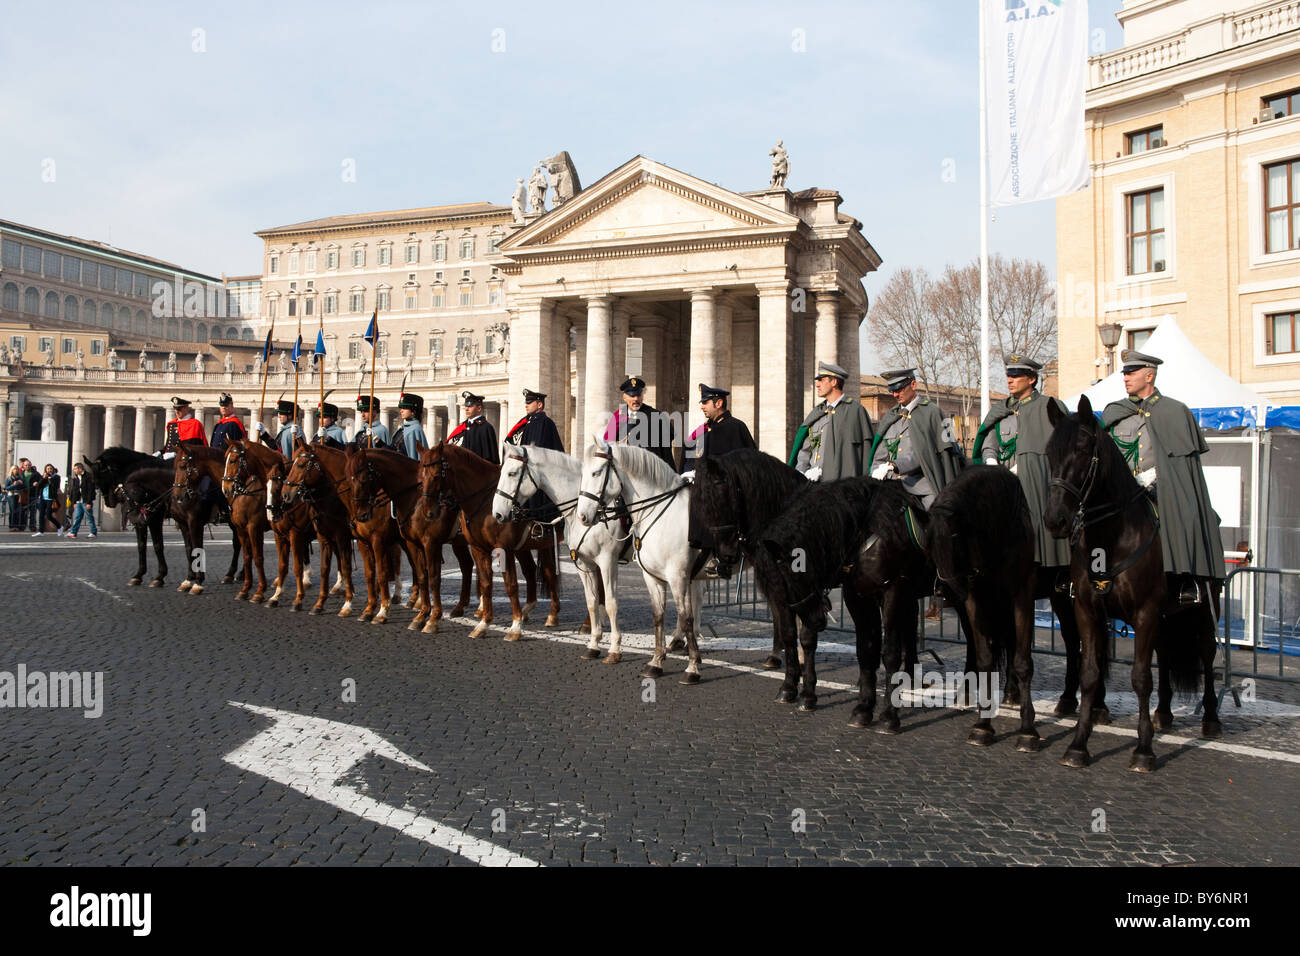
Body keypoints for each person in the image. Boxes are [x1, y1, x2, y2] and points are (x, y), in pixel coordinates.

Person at [1102, 348, 1226, 602]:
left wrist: (1153, 475)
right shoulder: (1114, 413)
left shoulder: (1174, 411)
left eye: (1131, 372)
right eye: (1124, 373)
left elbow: (1180, 463)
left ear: (1149, 376)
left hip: (1160, 488)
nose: (1125, 377)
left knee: (1187, 517)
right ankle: (1090, 578)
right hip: (1121, 491)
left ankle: (1186, 581)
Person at [869, 368, 964, 509]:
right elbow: (880, 455)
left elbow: (925, 453)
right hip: (891, 485)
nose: (895, 394)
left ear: (913, 385)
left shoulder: (932, 412)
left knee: (936, 518)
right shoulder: (891, 417)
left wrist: (894, 465)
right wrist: (876, 470)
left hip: (921, 485)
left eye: (900, 389)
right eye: (892, 390)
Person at [790, 361, 875, 482]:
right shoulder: (817, 413)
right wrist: (801, 476)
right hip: (814, 487)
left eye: (821, 380)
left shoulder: (856, 411)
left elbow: (866, 454)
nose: (817, 384)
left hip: (844, 488)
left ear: (834, 382)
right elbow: (805, 452)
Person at [604, 377, 677, 469]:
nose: (636, 399)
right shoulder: (618, 417)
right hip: (624, 472)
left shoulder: (658, 417)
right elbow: (608, 444)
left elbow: (666, 451)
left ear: (642, 395)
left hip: (650, 472)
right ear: (624, 398)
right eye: (632, 396)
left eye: (638, 395)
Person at [682, 383, 755, 476]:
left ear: (719, 403)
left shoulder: (735, 427)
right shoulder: (704, 429)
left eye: (705, 403)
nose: (702, 407)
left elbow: (744, 464)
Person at [448, 391, 499, 463]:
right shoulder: (462, 427)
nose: (466, 409)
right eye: (466, 406)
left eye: (470, 406)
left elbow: (490, 458)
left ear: (479, 408)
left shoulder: (485, 428)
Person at [390, 390, 429, 460]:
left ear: (413, 412)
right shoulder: (402, 429)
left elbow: (415, 457)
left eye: (405, 408)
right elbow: (392, 450)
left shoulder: (416, 429)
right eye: (401, 408)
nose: (401, 411)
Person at [66, 462, 98, 539]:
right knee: (78, 517)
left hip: (86, 501)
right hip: (78, 501)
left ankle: (93, 532)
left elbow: (91, 490)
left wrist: (89, 502)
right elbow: (75, 490)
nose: (74, 470)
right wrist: (74, 502)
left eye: (75, 469)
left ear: (80, 469)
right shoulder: (76, 478)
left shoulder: (88, 476)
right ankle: (73, 532)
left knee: (89, 517)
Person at [33, 463, 60, 537]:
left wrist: (50, 479)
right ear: (45, 470)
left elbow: (55, 486)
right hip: (43, 498)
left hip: (51, 498)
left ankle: (59, 526)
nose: (49, 470)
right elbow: (39, 486)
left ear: (53, 469)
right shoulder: (44, 477)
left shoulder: (56, 477)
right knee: (41, 515)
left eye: (51, 469)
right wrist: (44, 479)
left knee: (48, 515)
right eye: (48, 469)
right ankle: (41, 531)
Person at [5, 466, 23, 531]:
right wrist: (13, 485)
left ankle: (17, 526)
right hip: (11, 495)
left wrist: (21, 483)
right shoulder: (9, 478)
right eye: (14, 469)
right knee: (12, 510)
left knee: (17, 511)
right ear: (12, 470)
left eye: (17, 469)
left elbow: (23, 486)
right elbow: (6, 488)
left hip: (18, 495)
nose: (16, 470)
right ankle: (12, 526)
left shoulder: (20, 478)